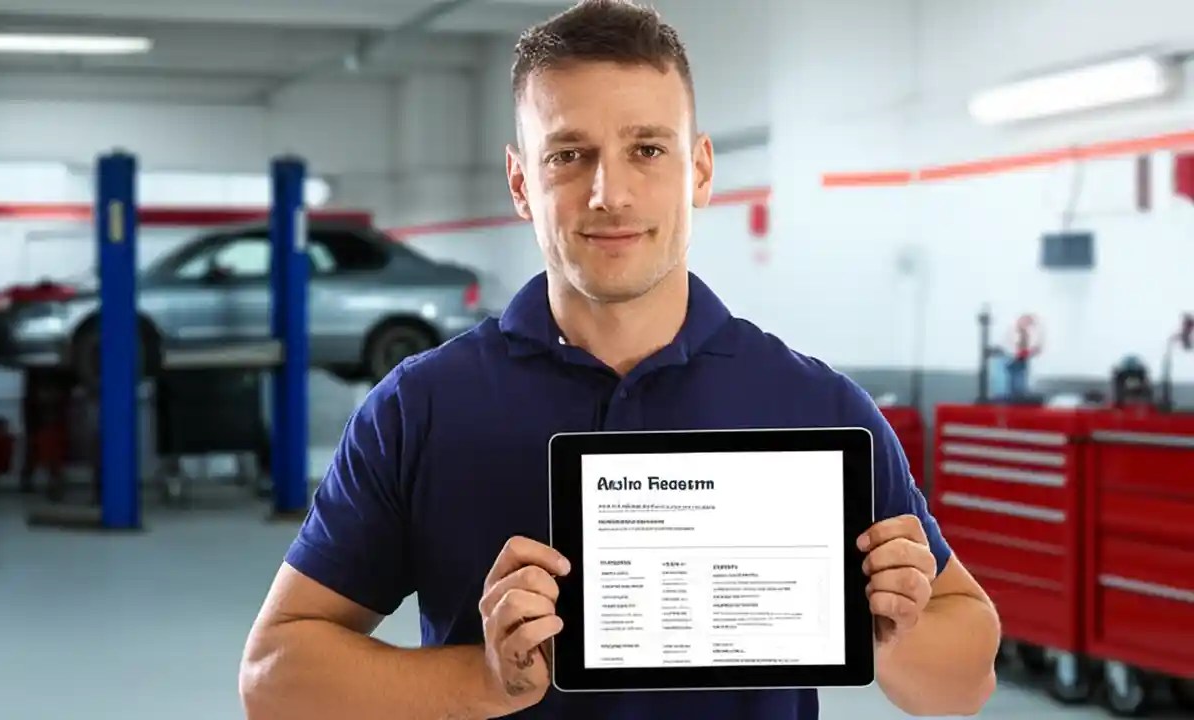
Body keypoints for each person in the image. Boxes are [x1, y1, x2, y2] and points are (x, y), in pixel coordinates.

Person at [239, 1, 1001, 717]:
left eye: (647, 149)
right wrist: (482, 681)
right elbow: (273, 676)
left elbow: (968, 679)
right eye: (569, 155)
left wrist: (896, 635)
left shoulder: (816, 408)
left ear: (700, 170)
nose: (610, 192)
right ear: (521, 183)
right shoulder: (421, 410)